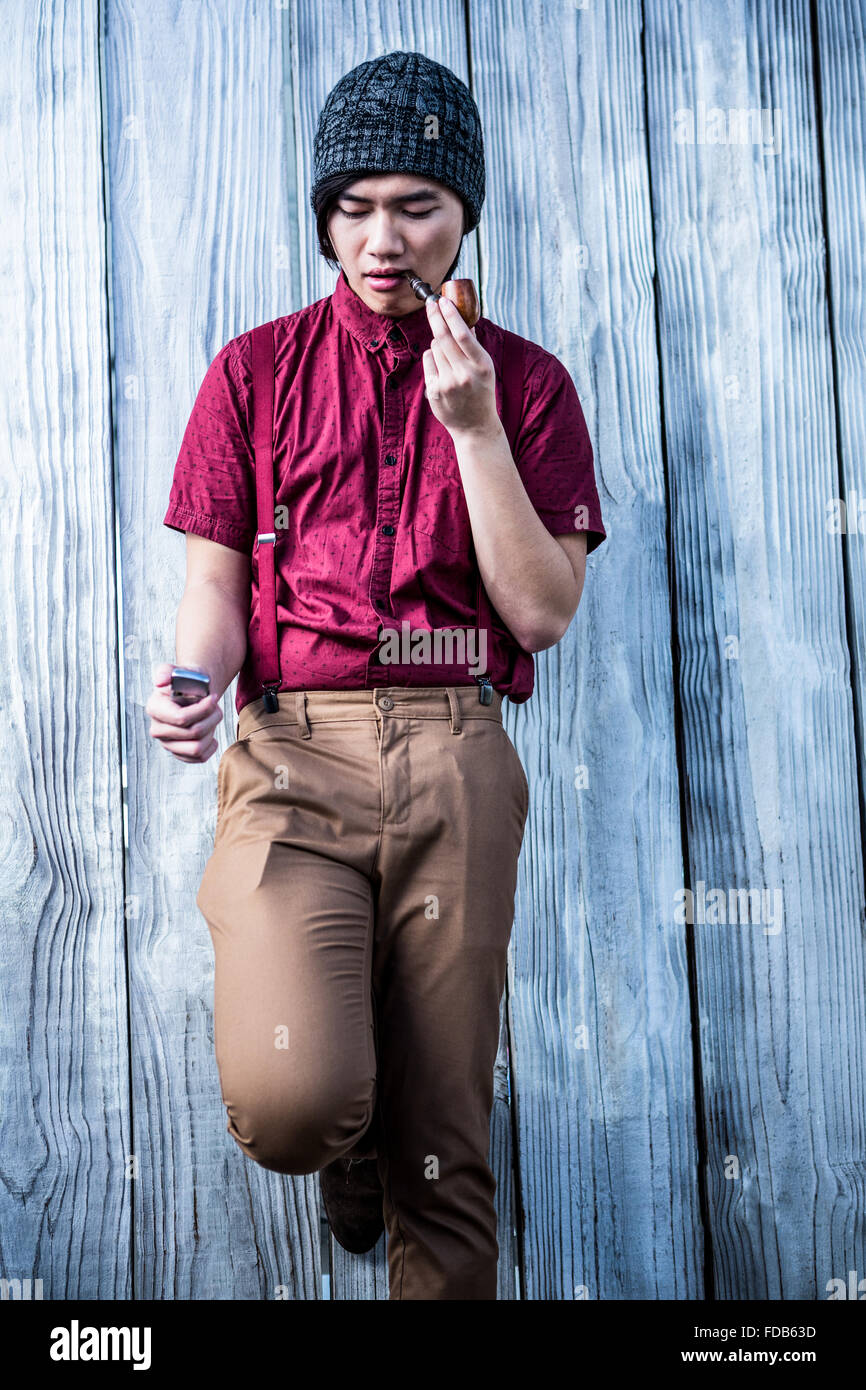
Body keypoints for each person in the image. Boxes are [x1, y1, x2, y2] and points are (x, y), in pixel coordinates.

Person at [147, 50, 606, 1300]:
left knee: (445, 1149)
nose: (382, 237)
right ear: (322, 214)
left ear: (465, 213)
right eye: (353, 206)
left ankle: (397, 1158)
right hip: (293, 757)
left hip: (457, 751)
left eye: (417, 204)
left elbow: (542, 612)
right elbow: (214, 591)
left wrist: (474, 430)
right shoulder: (251, 373)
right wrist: (190, 679)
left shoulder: (531, 386)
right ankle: (346, 1145)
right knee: (297, 1096)